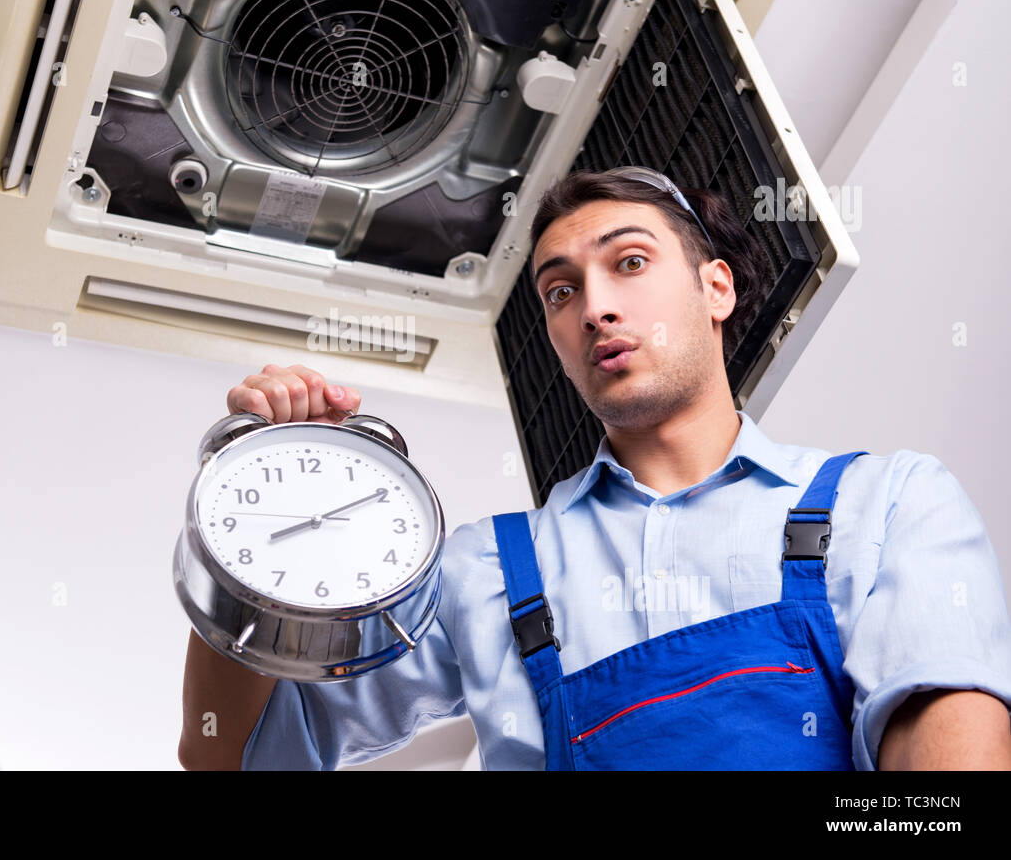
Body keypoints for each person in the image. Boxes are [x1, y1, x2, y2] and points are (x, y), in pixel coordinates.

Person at [177, 167, 1011, 770]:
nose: (597, 306)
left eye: (631, 262)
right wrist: (257, 542)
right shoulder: (485, 571)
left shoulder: (887, 503)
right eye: (560, 292)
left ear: (715, 287)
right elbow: (227, 754)